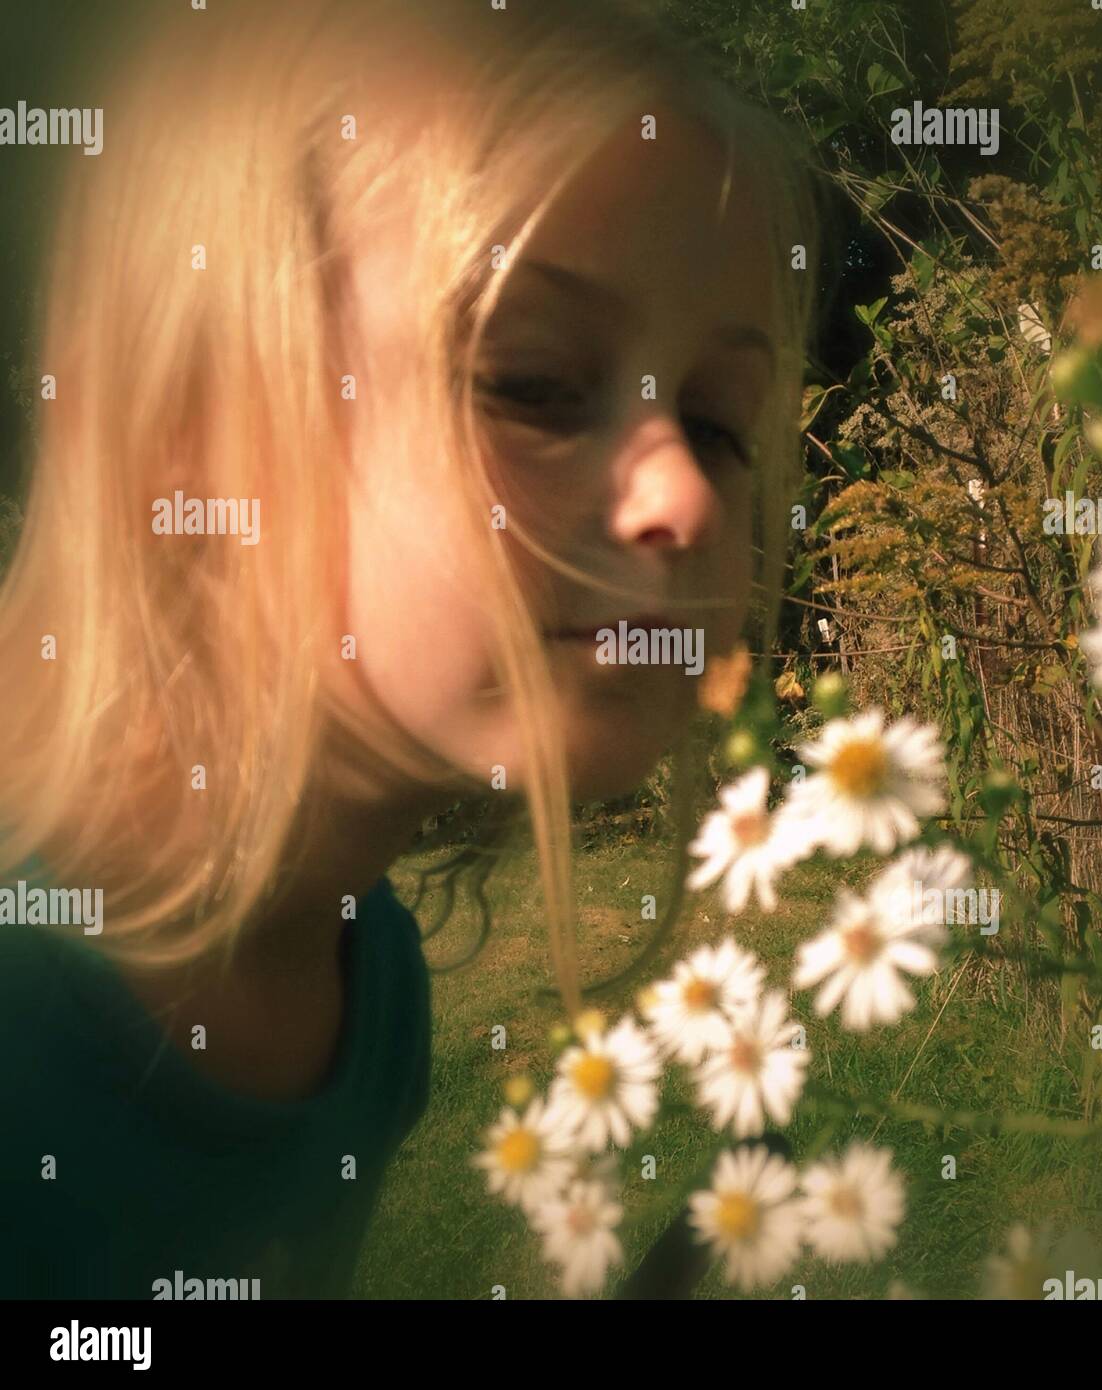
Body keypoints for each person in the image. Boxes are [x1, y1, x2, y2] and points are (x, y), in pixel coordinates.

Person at [0, 0, 820, 1297]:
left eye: (719, 419)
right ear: (181, 422)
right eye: (538, 383)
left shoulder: (370, 990)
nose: (688, 497)